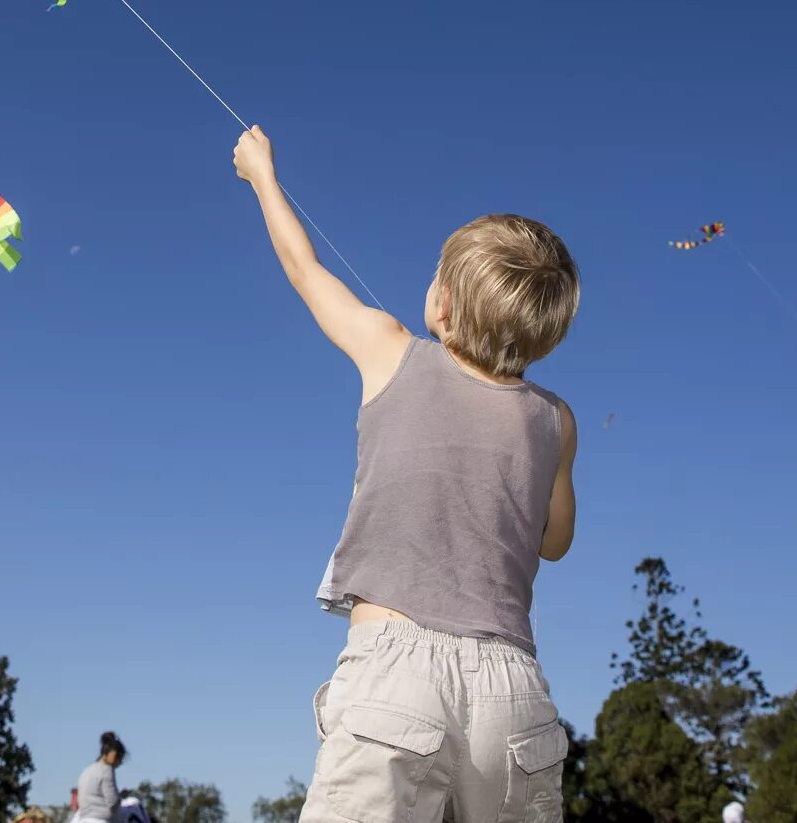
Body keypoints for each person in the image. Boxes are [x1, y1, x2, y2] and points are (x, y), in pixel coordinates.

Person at [234, 127, 581, 823]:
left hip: (396, 668)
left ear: (443, 304)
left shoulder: (391, 350)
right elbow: (554, 541)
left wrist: (262, 176)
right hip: (512, 689)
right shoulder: (557, 420)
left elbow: (306, 272)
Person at [73, 731, 127, 822]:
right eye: (119, 758)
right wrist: (120, 797)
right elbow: (112, 802)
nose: (119, 763)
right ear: (112, 754)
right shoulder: (106, 770)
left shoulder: (86, 771)